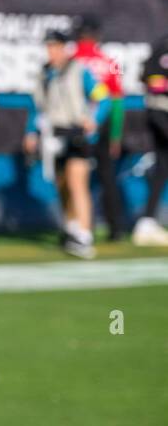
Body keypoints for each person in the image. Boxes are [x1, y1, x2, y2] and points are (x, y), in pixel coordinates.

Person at [24, 30, 110, 260]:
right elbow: (37, 107)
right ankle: (71, 227)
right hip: (54, 133)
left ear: (64, 47)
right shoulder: (44, 74)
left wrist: (94, 120)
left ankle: (84, 234)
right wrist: (31, 132)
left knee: (76, 181)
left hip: (76, 133)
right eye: (48, 47)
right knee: (62, 183)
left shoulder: (79, 70)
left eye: (55, 47)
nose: (51, 52)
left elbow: (103, 97)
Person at [72, 16, 128, 242]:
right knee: (107, 177)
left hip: (79, 123)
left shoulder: (73, 60)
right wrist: (115, 135)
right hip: (103, 124)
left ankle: (80, 228)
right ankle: (115, 229)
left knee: (76, 178)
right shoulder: (108, 61)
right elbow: (117, 102)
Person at [133, 31, 168, 246]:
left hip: (158, 112)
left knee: (163, 167)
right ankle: (146, 222)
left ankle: (147, 220)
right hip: (161, 111)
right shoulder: (164, 47)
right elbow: (151, 79)